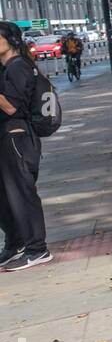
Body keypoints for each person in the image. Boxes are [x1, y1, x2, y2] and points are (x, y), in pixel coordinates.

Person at [0, 22, 50, 271]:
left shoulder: (18, 66)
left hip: (17, 140)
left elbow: (10, 106)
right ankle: (15, 242)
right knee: (5, 197)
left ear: (10, 40)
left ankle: (37, 249)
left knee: (21, 195)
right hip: (7, 139)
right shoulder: (7, 67)